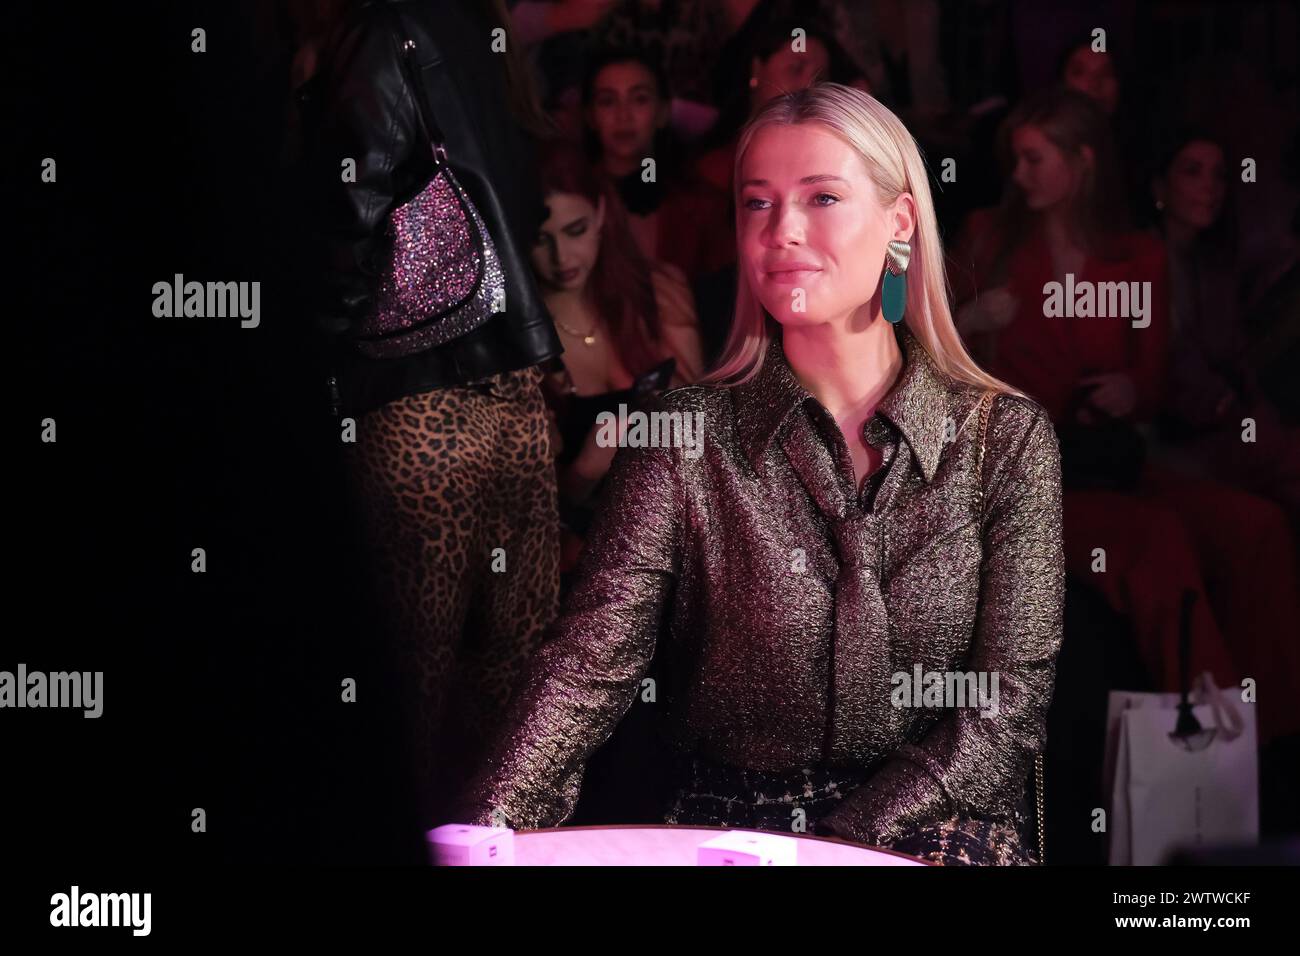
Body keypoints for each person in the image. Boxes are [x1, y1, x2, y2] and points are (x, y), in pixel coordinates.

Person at [456, 83, 1066, 866]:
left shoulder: (1004, 439)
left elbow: (1006, 708)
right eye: (758, 204)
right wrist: (482, 829)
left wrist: (842, 849)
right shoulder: (682, 437)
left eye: (822, 197)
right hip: (729, 832)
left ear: (900, 224)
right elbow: (588, 661)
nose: (783, 232)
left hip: (933, 830)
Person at [950, 88, 1300, 745]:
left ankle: (1280, 742)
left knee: (1255, 527)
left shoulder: (1135, 254)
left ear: (1081, 162)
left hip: (1108, 452)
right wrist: (971, 320)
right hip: (1029, 473)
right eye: (1015, 160)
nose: (1019, 175)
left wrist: (1130, 391)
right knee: (1155, 542)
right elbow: (926, 354)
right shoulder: (986, 236)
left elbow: (1156, 377)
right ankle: (1216, 749)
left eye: (1033, 159)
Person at [305, 0, 564, 830]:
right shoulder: (486, 31)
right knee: (509, 689)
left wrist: (320, 348)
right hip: (517, 402)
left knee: (402, 696)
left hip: (413, 407)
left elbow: (353, 211)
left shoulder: (382, 33)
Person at [528, 139, 704, 577]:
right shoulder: (520, 337)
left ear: (602, 214)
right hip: (571, 562)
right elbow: (523, 521)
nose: (561, 257)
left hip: (674, 538)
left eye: (575, 231)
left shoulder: (659, 293)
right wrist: (584, 472)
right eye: (541, 239)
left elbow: (706, 440)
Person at [582, 47, 735, 280]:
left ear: (663, 111)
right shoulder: (571, 196)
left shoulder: (700, 203)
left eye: (639, 99)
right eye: (608, 101)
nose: (623, 115)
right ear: (591, 116)